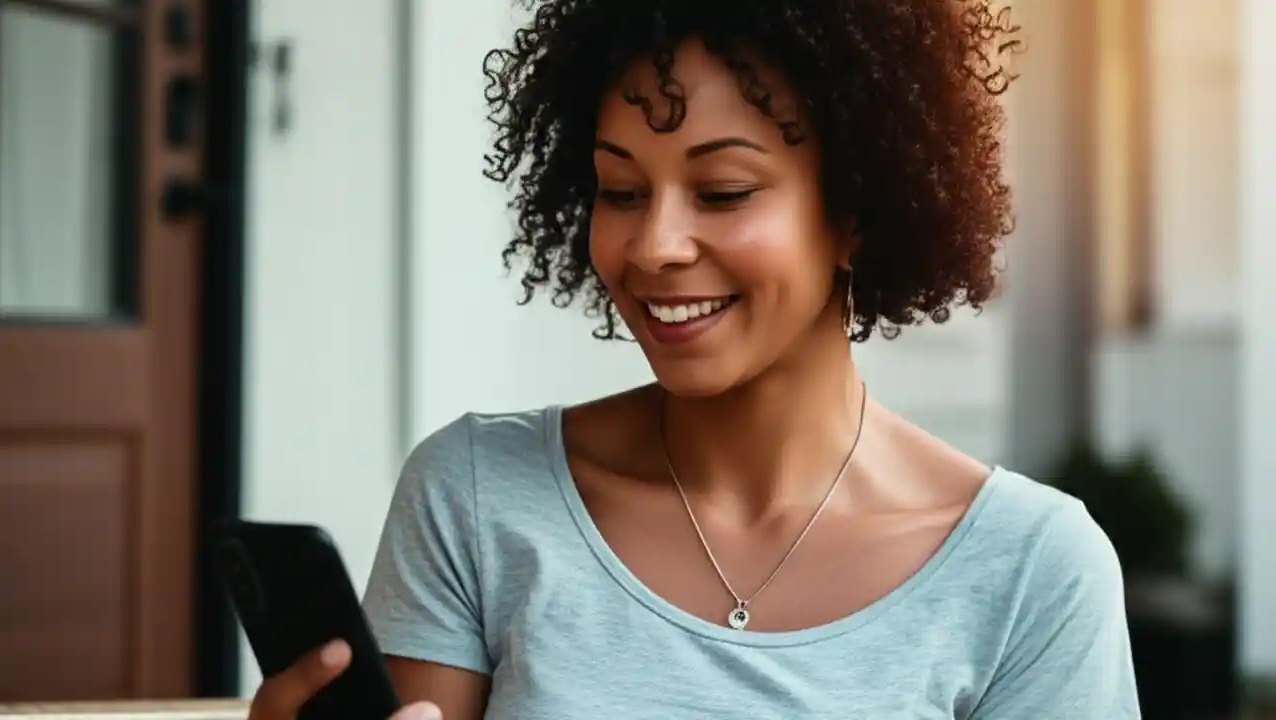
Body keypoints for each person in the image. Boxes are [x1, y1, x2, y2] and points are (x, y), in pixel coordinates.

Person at [247, 1, 1141, 718]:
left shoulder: (1032, 572)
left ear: (858, 211)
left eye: (723, 191)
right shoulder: (476, 498)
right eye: (622, 191)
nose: (654, 246)